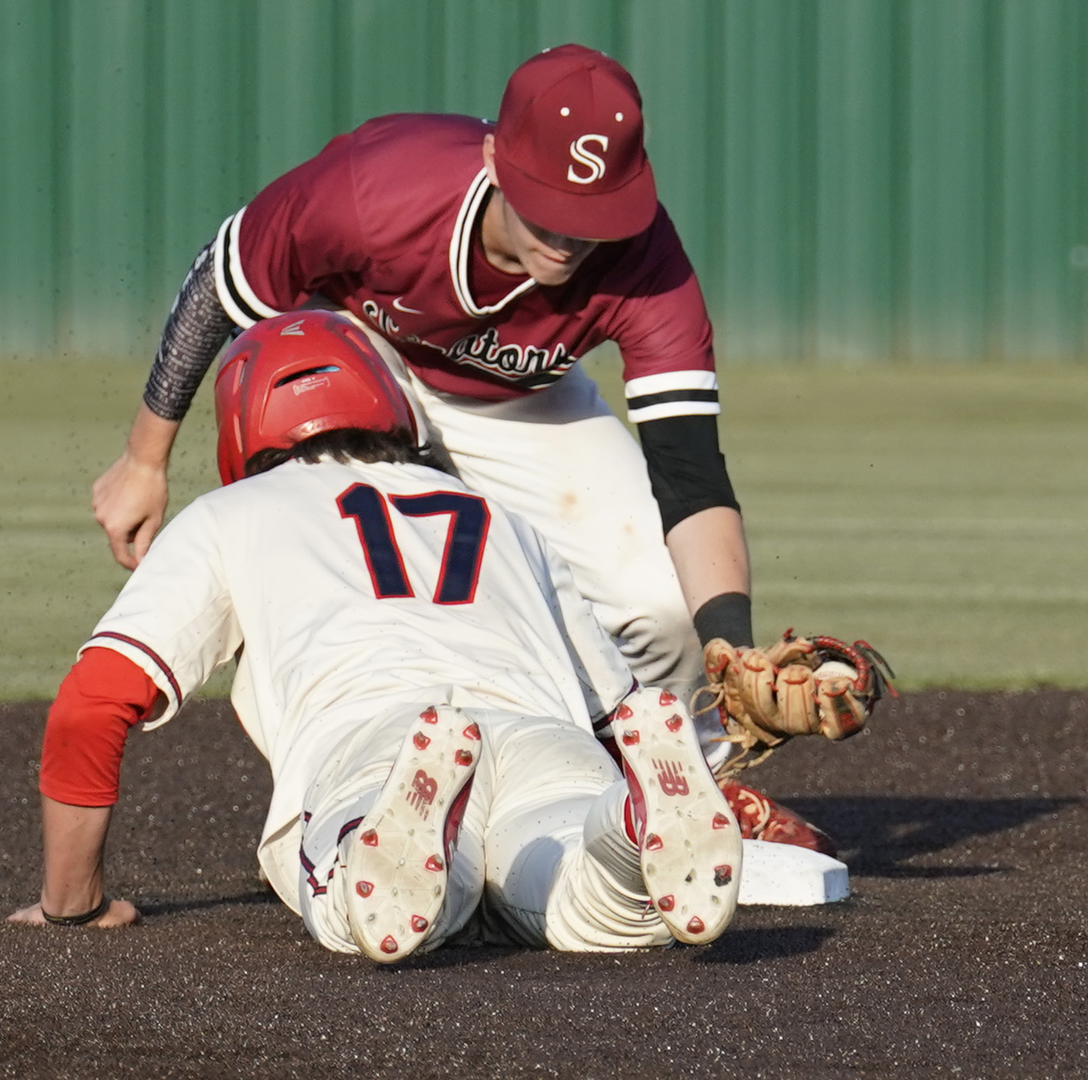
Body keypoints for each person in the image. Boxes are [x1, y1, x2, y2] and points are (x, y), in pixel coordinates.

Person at [91, 43, 835, 852]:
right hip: (358, 368)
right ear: (493, 159)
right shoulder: (378, 188)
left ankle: (694, 787)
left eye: (595, 214)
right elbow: (222, 281)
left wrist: (728, 640)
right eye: (548, 205)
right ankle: (359, 801)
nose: (570, 237)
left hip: (521, 406)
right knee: (357, 594)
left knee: (661, 603)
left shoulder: (647, 258)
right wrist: (144, 459)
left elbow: (689, 471)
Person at [10, 311, 741, 960]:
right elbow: (620, 714)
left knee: (368, 900)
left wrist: (74, 906)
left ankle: (383, 835)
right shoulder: (500, 515)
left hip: (378, 741)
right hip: (541, 735)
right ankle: (622, 828)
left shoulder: (231, 514)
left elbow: (92, 704)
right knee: (576, 889)